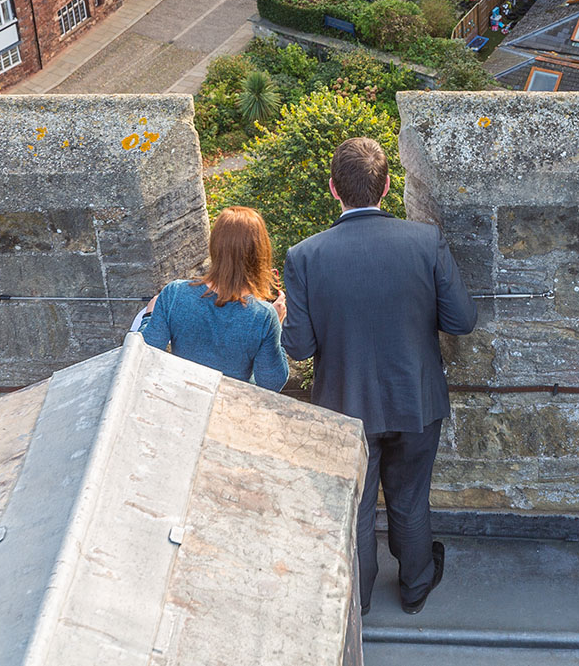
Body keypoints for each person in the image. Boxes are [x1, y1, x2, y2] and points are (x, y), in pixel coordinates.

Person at [281, 138, 476, 616]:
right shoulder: (425, 242)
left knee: (358, 510)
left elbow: (299, 347)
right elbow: (462, 320)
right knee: (410, 499)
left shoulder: (305, 256)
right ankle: (414, 586)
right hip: (415, 397)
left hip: (346, 406)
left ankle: (359, 600)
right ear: (387, 186)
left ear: (333, 189)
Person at [141, 206, 288, 391]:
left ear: (215, 246)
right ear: (260, 252)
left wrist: (149, 316)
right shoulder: (264, 316)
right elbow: (272, 382)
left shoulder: (174, 293)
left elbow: (143, 353)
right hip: (227, 409)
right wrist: (277, 327)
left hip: (181, 399)